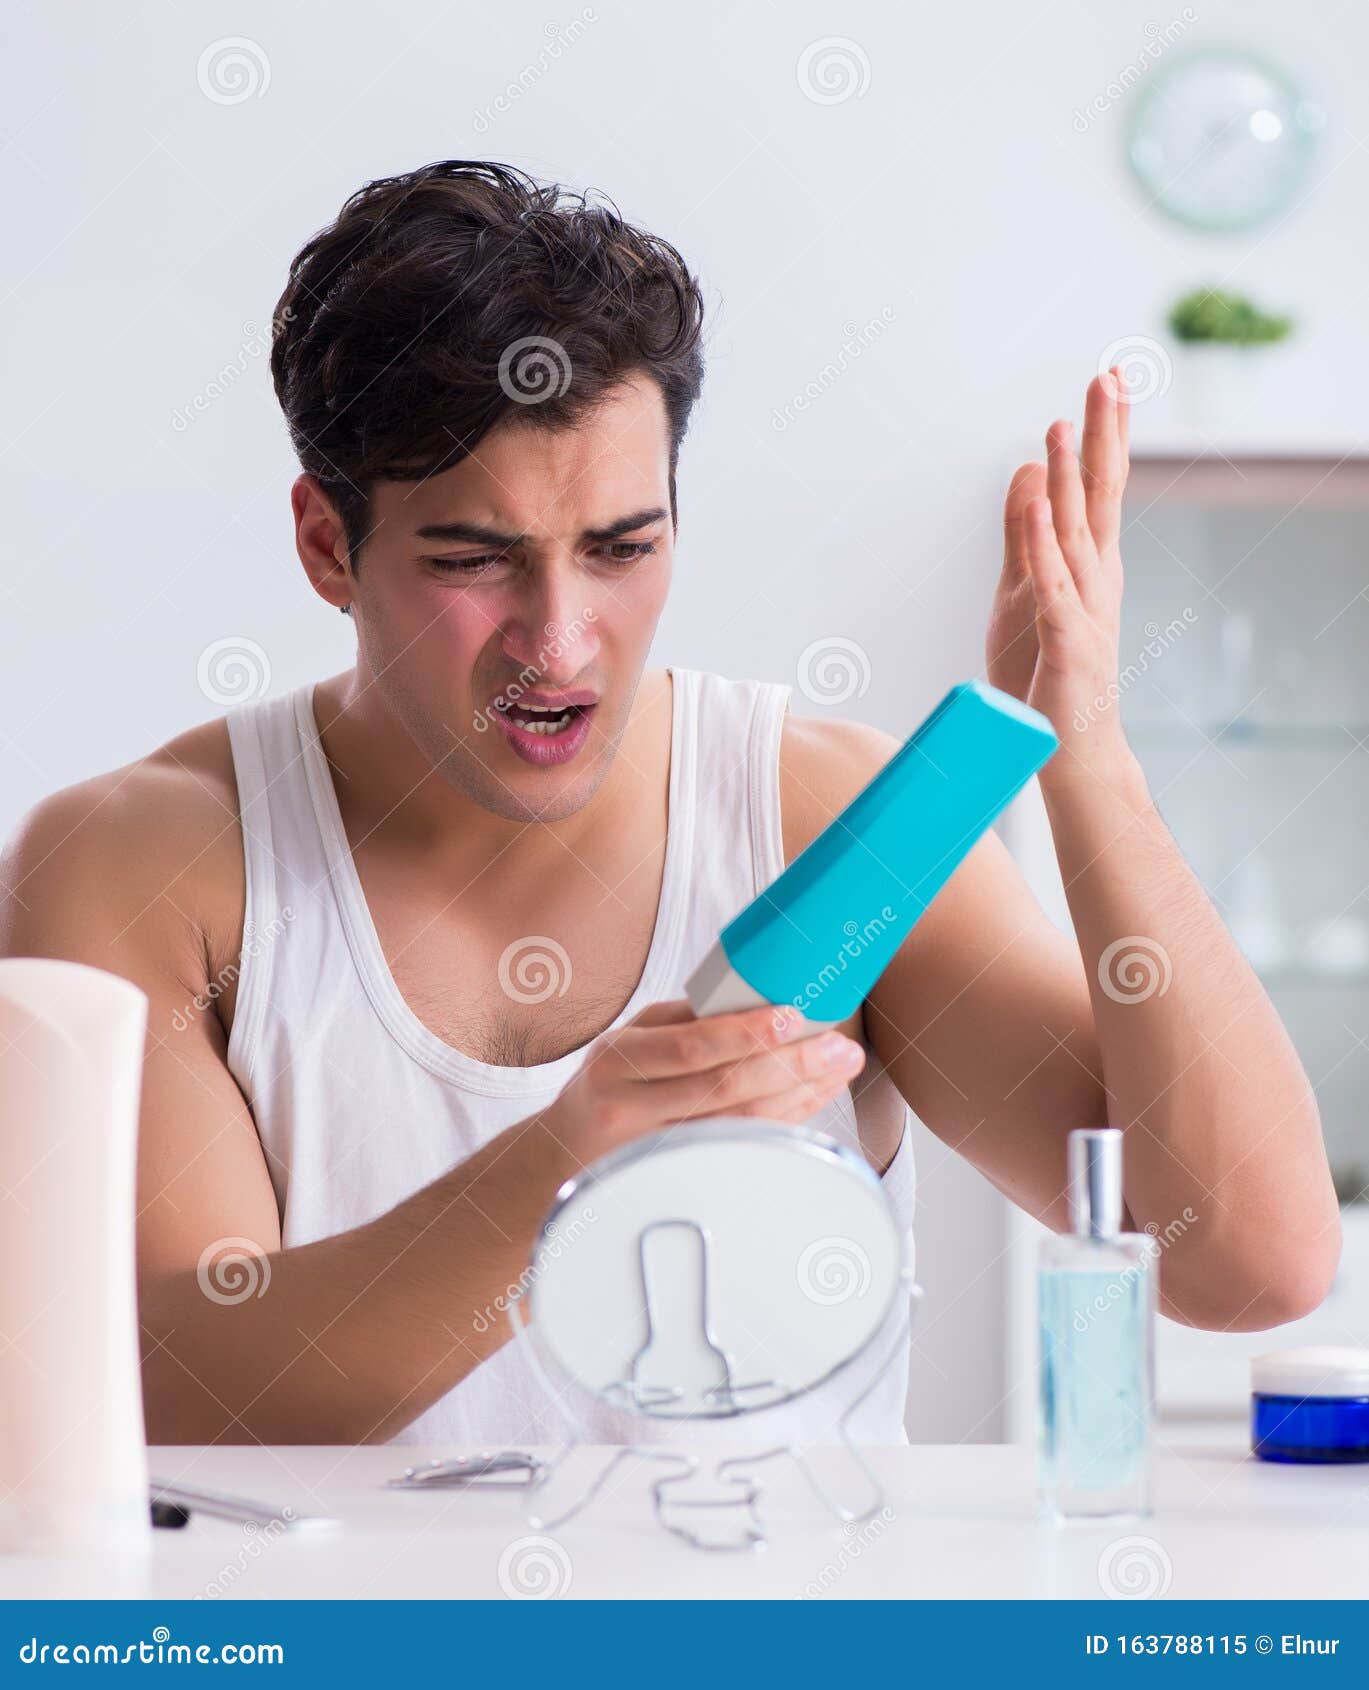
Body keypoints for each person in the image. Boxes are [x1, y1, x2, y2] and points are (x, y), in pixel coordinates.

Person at [0, 160, 1339, 1448]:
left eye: (620, 548)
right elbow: (165, 1390)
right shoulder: (141, 861)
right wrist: (571, 1164)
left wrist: (1087, 762)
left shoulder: (818, 816)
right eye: (473, 560)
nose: (559, 641)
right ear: (324, 546)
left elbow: (1248, 1267)